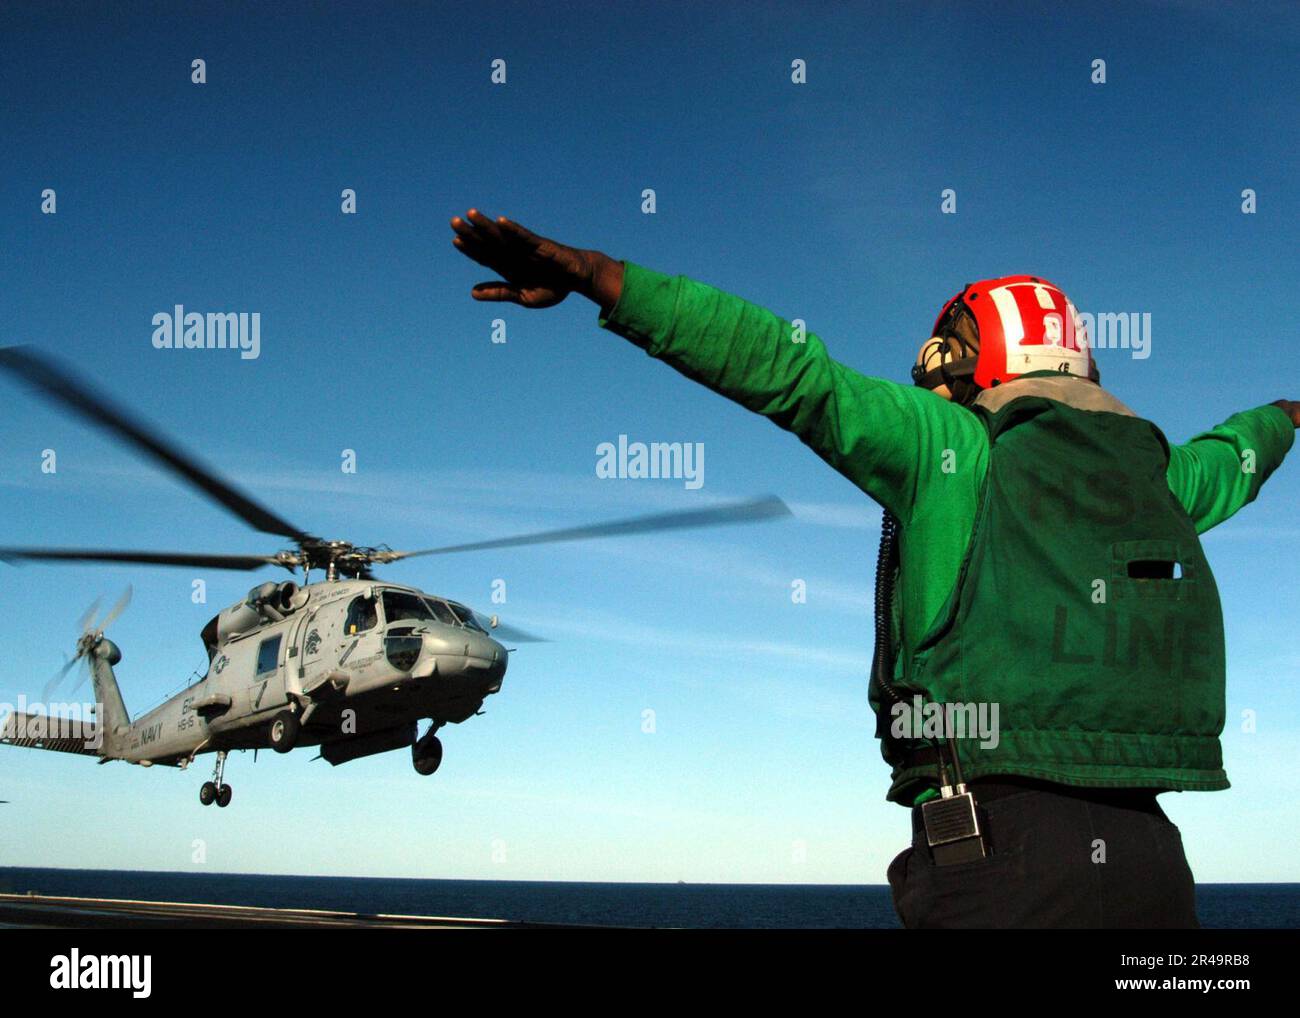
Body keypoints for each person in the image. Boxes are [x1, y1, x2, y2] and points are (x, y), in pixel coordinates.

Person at [449, 209, 1298, 928]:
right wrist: (1289, 413)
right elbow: (1239, 454)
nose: (933, 380)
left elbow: (789, 372)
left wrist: (602, 276)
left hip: (999, 855)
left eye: (945, 359)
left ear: (979, 360)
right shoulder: (1157, 476)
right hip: (1153, 859)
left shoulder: (954, 446)